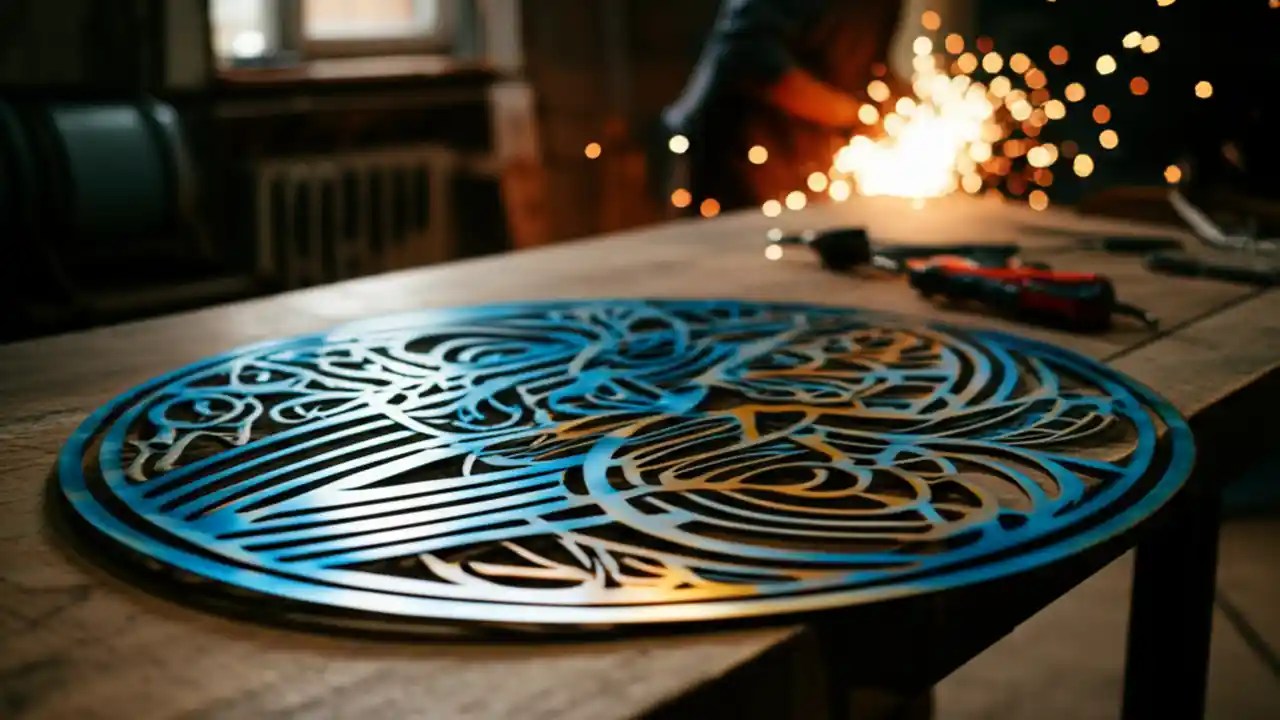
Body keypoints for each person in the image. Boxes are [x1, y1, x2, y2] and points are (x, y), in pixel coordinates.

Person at [659, 0, 905, 211]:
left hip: (807, 164)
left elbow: (875, 69)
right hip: (731, 157)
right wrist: (849, 115)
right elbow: (752, 55)